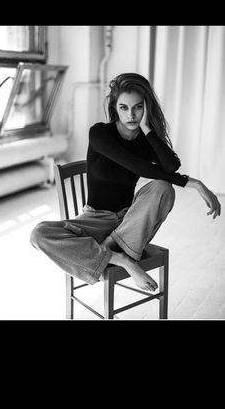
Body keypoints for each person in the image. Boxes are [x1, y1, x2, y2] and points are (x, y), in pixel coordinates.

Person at [30, 73, 221, 292]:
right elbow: (139, 167)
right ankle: (121, 259)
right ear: (114, 107)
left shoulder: (144, 139)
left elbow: (171, 165)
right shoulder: (100, 133)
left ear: (146, 108)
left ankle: (107, 251)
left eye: (138, 107)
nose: (131, 115)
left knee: (162, 187)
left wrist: (149, 129)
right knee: (39, 233)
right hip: (96, 219)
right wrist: (194, 183)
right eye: (123, 108)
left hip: (130, 222)